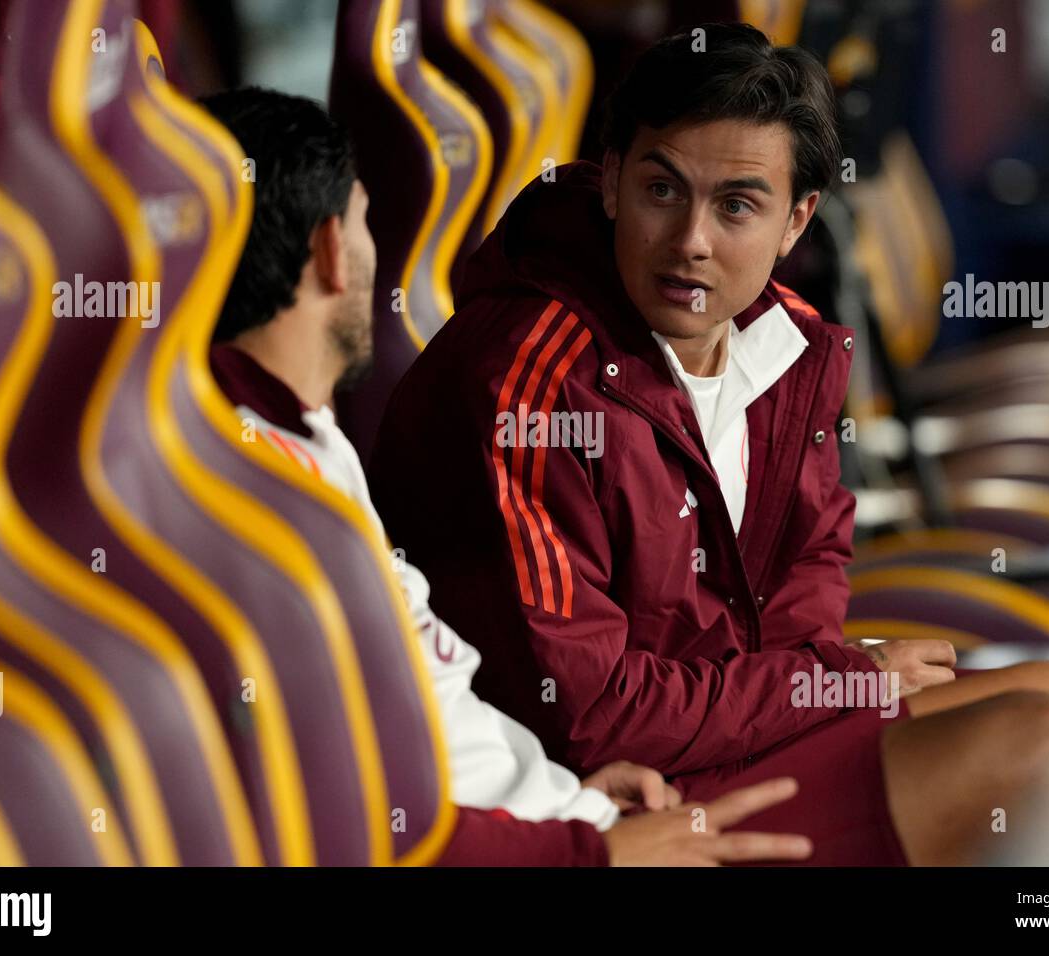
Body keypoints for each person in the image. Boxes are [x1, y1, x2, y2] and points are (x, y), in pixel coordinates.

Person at [367, 23, 1049, 865]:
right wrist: (831, 684)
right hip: (605, 788)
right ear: (609, 182)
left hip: (727, 728)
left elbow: (809, 573)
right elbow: (588, 713)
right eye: (661, 190)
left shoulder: (788, 342)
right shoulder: (528, 380)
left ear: (797, 221)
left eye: (737, 206)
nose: (692, 242)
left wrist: (818, 681)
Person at [201, 85, 819, 867]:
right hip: (564, 843)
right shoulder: (263, 493)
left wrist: (574, 801)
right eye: (365, 219)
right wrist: (588, 850)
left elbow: (436, 715)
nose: (692, 241)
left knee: (1015, 705)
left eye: (737, 206)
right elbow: (359, 814)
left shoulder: (307, 441)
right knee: (1013, 739)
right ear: (331, 249)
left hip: (574, 809)